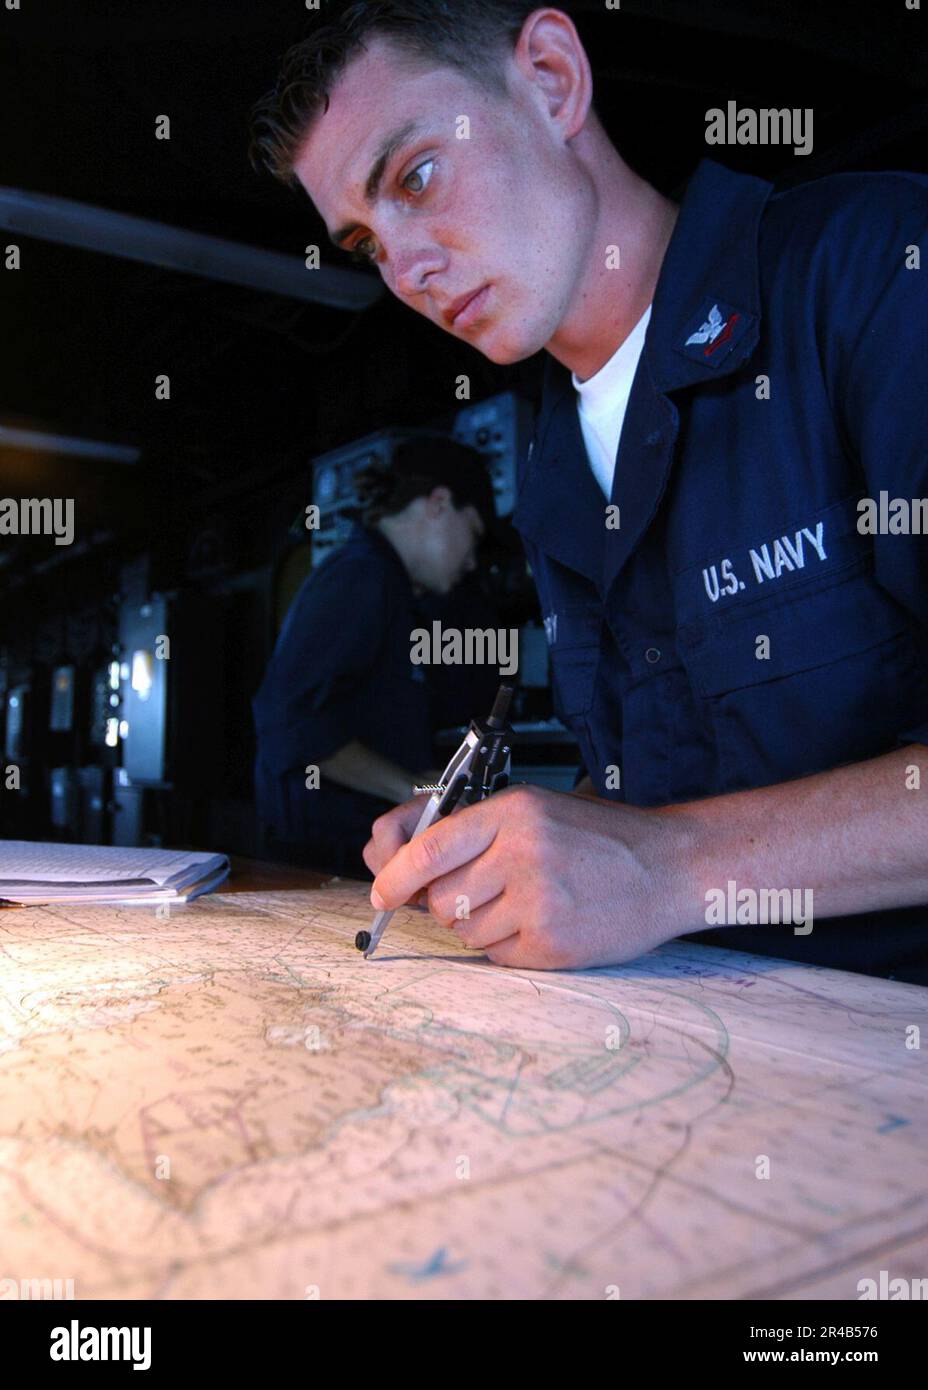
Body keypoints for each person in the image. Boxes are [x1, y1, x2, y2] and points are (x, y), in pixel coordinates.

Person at [248, 1, 928, 980]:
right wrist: (521, 844)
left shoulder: (871, 271)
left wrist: (669, 869)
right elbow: (660, 791)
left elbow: (670, 853)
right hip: (688, 1059)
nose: (407, 268)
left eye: (417, 176)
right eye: (364, 243)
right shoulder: (555, 473)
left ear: (554, 79)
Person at [252, 435, 501, 876]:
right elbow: (290, 721)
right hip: (321, 860)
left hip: (350, 851)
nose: (470, 563)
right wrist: (421, 787)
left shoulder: (390, 588)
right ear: (438, 504)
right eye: (474, 534)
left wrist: (427, 781)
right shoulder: (361, 577)